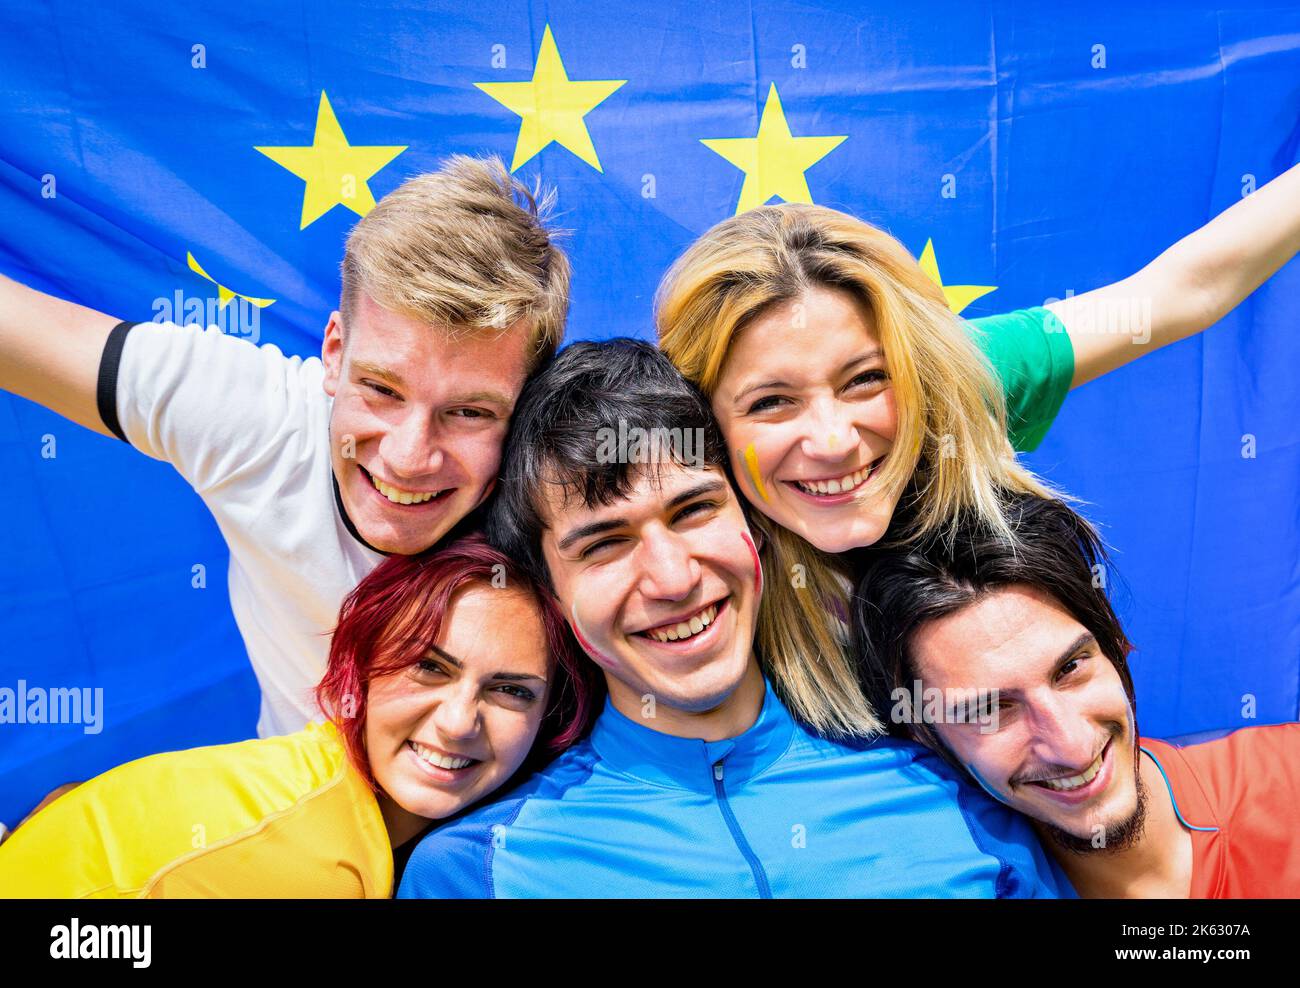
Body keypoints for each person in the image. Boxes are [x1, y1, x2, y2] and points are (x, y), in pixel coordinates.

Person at [398, 341, 1072, 898]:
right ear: (551, 592)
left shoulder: (950, 780)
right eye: (605, 544)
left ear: (753, 523)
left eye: (694, 510)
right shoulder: (472, 872)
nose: (674, 578)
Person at [655, 162, 1300, 739]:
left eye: (866, 381)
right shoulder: (666, 510)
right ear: (706, 427)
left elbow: (1178, 294)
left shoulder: (955, 382)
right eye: (771, 402)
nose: (832, 440)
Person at [0, 155, 571, 739]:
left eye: (469, 413)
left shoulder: (573, 503)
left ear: (525, 406)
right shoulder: (259, 421)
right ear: (333, 353)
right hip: (292, 819)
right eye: (381, 389)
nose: (408, 457)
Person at [0, 536, 596, 897]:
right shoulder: (319, 869)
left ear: (549, 719)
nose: (460, 721)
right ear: (361, 669)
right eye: (429, 668)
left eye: (512, 691)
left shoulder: (312, 774)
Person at [851, 492, 1300, 898]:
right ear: (924, 736)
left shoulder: (1288, 779)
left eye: (1070, 668)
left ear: (1115, 644)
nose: (1071, 747)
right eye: (991, 709)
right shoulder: (956, 883)